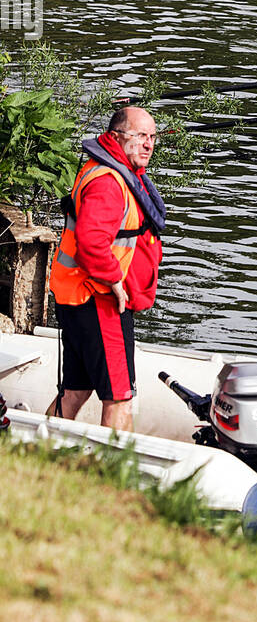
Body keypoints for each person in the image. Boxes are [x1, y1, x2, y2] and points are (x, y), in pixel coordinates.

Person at [47, 105, 166, 431]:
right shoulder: (109, 183)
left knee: (75, 389)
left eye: (152, 137)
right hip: (98, 300)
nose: (148, 144)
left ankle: (38, 451)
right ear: (116, 137)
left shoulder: (103, 169)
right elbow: (91, 242)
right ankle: (112, 475)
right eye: (140, 135)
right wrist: (115, 281)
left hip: (76, 297)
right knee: (119, 396)